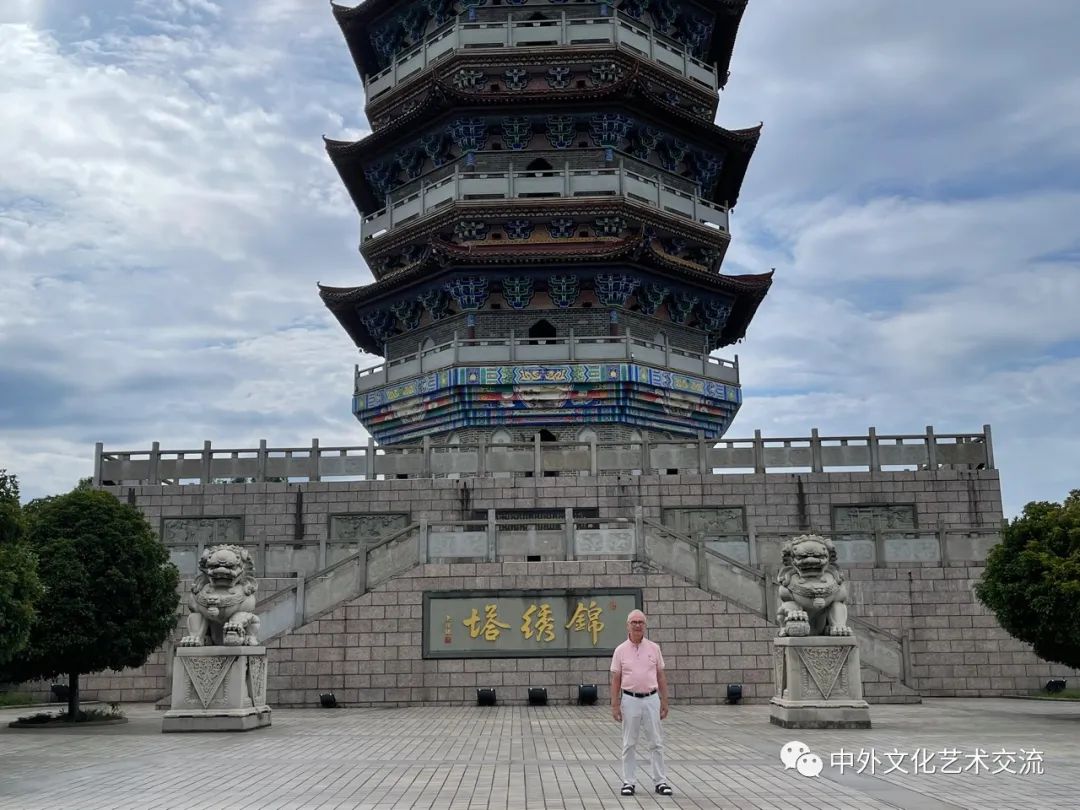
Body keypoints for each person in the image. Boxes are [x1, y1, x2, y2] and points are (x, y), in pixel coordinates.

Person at [609, 609, 672, 797]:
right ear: (627, 626)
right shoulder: (620, 650)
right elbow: (616, 679)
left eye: (641, 622)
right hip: (630, 699)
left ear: (645, 625)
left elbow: (660, 676)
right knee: (629, 743)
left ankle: (660, 781)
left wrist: (664, 700)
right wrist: (615, 704)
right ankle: (629, 782)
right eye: (634, 622)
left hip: (651, 698)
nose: (637, 625)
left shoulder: (654, 648)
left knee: (656, 742)